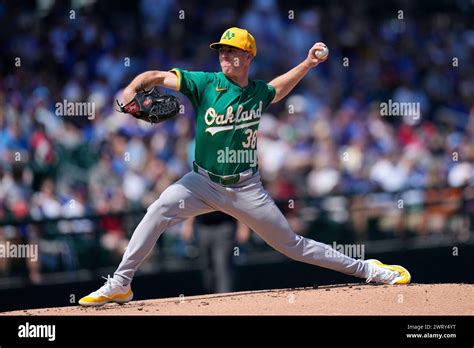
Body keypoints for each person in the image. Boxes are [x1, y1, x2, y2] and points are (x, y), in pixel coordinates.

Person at [79, 27, 410, 306]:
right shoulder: (205, 83)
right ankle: (121, 284)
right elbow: (153, 76)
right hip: (202, 183)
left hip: (246, 188)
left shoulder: (257, 93)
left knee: (293, 246)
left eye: (232, 51)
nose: (224, 56)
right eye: (221, 51)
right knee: (156, 211)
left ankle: (369, 269)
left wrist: (307, 64)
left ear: (249, 56)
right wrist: (130, 91)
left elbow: (276, 89)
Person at [182, 212, 250, 294]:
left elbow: (237, 202)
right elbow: (194, 203)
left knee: (222, 264)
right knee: (207, 266)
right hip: (203, 227)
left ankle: (224, 298)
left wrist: (243, 225)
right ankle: (211, 297)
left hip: (225, 225)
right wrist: (188, 225)